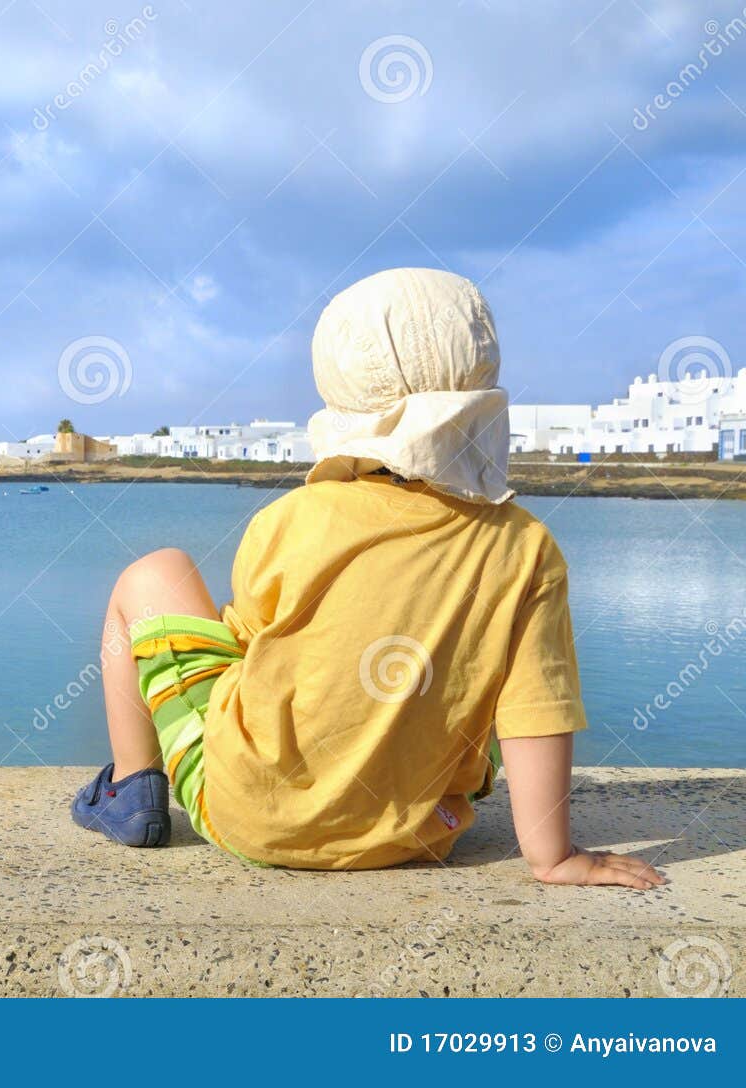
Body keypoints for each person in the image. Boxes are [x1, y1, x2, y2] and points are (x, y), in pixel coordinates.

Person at [71, 267, 665, 889]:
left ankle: (130, 790)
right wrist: (555, 856)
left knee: (156, 573)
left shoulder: (290, 520)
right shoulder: (525, 545)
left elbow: (252, 656)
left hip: (245, 817)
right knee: (483, 659)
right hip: (417, 832)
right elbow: (536, 709)